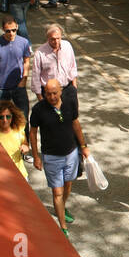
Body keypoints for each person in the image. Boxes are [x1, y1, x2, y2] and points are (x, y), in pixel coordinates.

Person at [29, 78, 88, 233]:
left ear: (61, 91)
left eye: (55, 93)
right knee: (57, 191)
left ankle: (61, 207)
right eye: (48, 94)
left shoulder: (69, 104)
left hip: (71, 154)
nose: (52, 97)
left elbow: (76, 124)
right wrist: (36, 156)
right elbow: (33, 133)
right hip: (51, 157)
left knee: (68, 184)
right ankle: (63, 227)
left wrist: (83, 146)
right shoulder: (38, 110)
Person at [0, 100, 30, 181]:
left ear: (12, 116)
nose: (5, 120)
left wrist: (25, 147)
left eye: (8, 116)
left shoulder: (19, 129)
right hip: (1, 177)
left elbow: (25, 144)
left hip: (20, 174)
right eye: (1, 117)